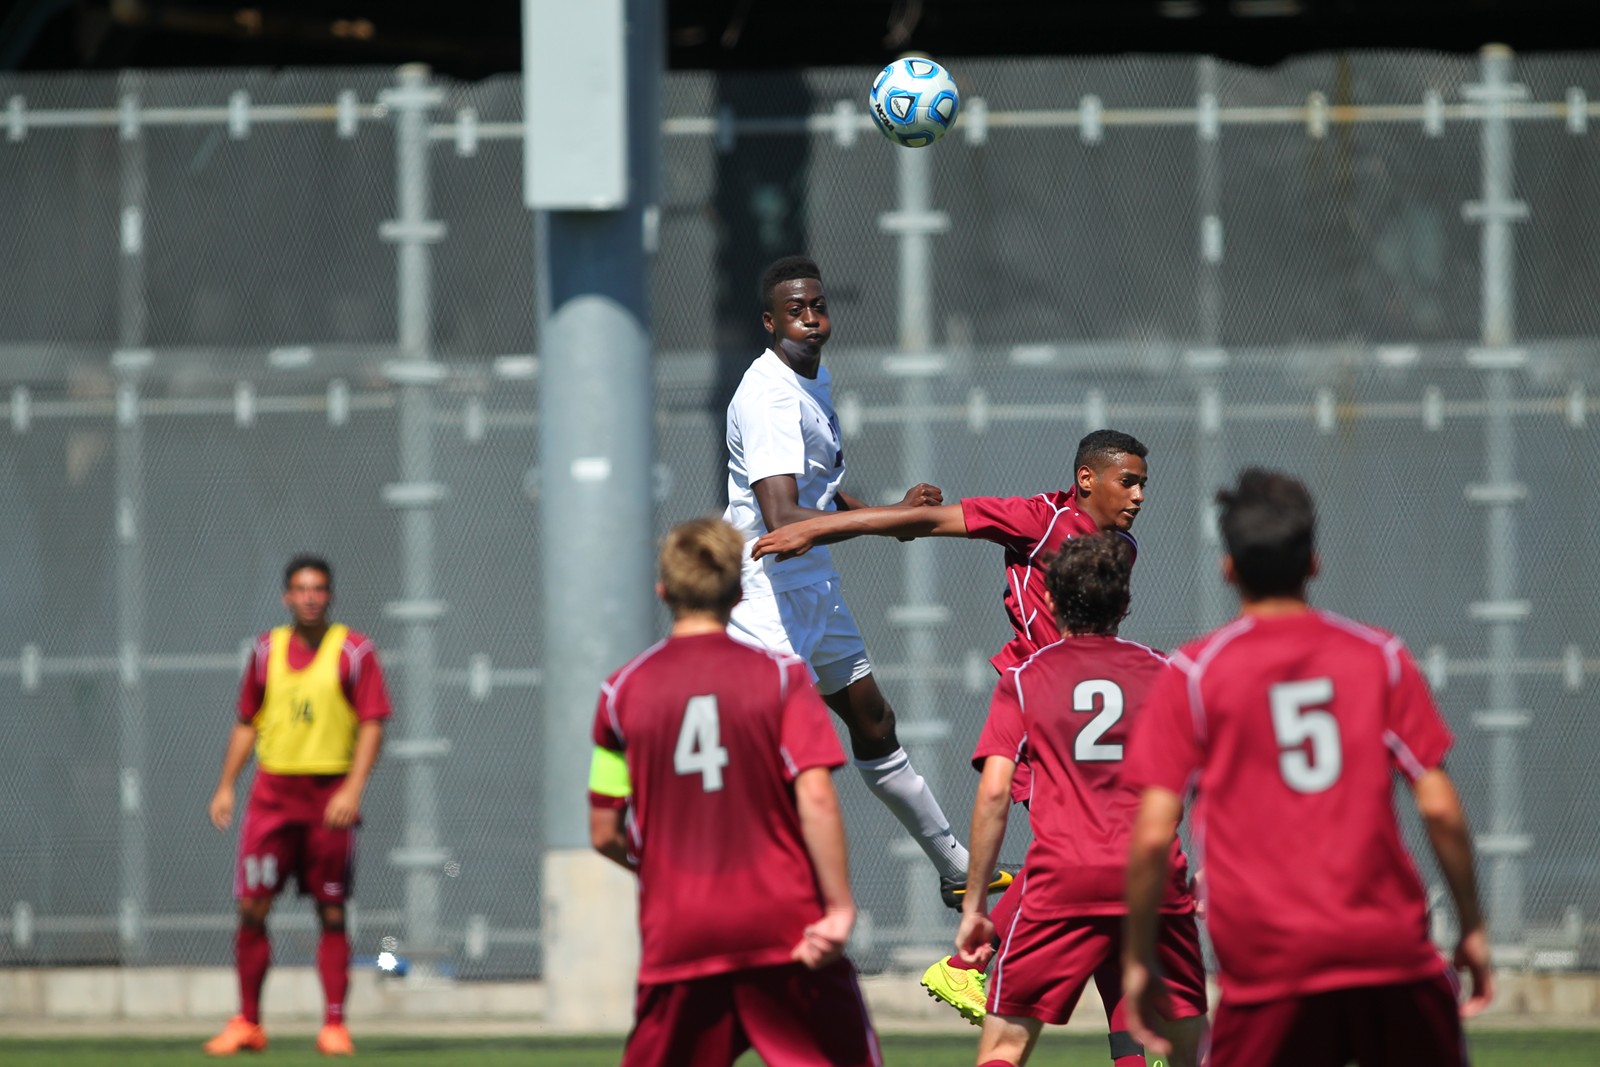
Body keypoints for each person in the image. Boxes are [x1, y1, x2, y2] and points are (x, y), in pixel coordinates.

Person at [756, 428, 1156, 1044]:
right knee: (1079, 855)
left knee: (1112, 886)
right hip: (1043, 718)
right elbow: (934, 523)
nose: (1136, 496)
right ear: (1086, 480)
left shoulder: (1121, 546)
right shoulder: (1038, 519)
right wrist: (816, 529)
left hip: (1097, 725)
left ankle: (1134, 1041)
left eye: (1142, 485)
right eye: (1127, 481)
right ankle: (969, 963)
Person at [1122, 468, 1495, 1066]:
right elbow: (1438, 805)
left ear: (1229, 568)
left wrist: (1139, 955)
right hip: (1391, 954)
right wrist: (1472, 924)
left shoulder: (1194, 674)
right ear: (1314, 564)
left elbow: (1149, 833)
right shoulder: (1381, 656)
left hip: (1272, 967)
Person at [723, 254, 991, 903]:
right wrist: (889, 519)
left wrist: (886, 510)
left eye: (818, 306)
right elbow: (784, 516)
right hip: (769, 597)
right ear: (770, 321)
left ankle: (957, 870)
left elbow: (821, 493)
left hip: (813, 584)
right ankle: (740, 884)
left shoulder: (812, 375)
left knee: (873, 719)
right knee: (761, 754)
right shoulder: (768, 397)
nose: (812, 320)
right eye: (795, 310)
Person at [588, 517, 881, 1067]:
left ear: (664, 592)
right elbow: (815, 796)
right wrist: (839, 907)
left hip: (679, 929)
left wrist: (657, 869)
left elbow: (604, 831)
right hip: (782, 923)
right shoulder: (781, 679)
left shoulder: (620, 692)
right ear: (739, 592)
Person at [951, 533, 1207, 1067]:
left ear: (1049, 600)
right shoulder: (1168, 674)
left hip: (1062, 880)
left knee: (1003, 1048)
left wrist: (976, 906)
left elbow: (995, 790)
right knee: (1191, 1048)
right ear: (1125, 603)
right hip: (1154, 876)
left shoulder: (1023, 681)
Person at [205, 556, 390, 1057]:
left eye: (319, 589)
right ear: (286, 596)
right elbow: (247, 720)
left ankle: (334, 1024)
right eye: (300, 589)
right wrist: (226, 784)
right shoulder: (266, 652)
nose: (310, 597)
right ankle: (248, 1021)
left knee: (331, 910)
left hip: (328, 798)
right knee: (251, 907)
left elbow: (373, 722)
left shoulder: (354, 651)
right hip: (272, 799)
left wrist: (353, 790)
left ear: (329, 596)